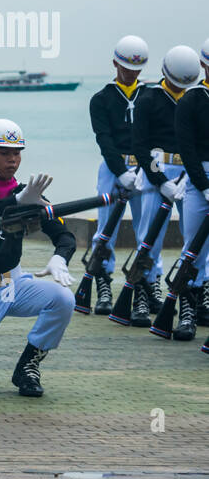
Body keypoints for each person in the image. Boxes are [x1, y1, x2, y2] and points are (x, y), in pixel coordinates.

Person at [0, 120, 78, 397]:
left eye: (17, 153)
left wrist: (60, 257)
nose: (12, 160)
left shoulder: (30, 194)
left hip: (12, 285)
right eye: (3, 153)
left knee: (63, 299)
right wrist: (16, 203)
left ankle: (29, 365)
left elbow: (64, 235)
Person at [128, 44, 198, 326]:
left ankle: (192, 295)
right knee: (149, 238)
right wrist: (160, 180)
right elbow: (141, 147)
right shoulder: (148, 99)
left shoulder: (193, 99)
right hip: (158, 169)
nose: (180, 87)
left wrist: (195, 173)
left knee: (194, 237)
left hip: (190, 171)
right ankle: (143, 292)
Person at [86, 35, 150, 315]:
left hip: (145, 167)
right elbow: (104, 139)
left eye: (136, 69)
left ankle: (146, 284)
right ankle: (103, 283)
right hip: (114, 167)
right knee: (105, 229)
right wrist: (121, 172)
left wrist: (147, 167)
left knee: (147, 229)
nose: (131, 73)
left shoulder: (149, 96)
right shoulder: (101, 99)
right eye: (126, 67)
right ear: (115, 64)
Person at [174, 39, 209, 337]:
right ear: (203, 65)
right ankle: (188, 309)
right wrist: (204, 186)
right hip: (200, 179)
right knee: (192, 248)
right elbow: (187, 148)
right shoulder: (191, 100)